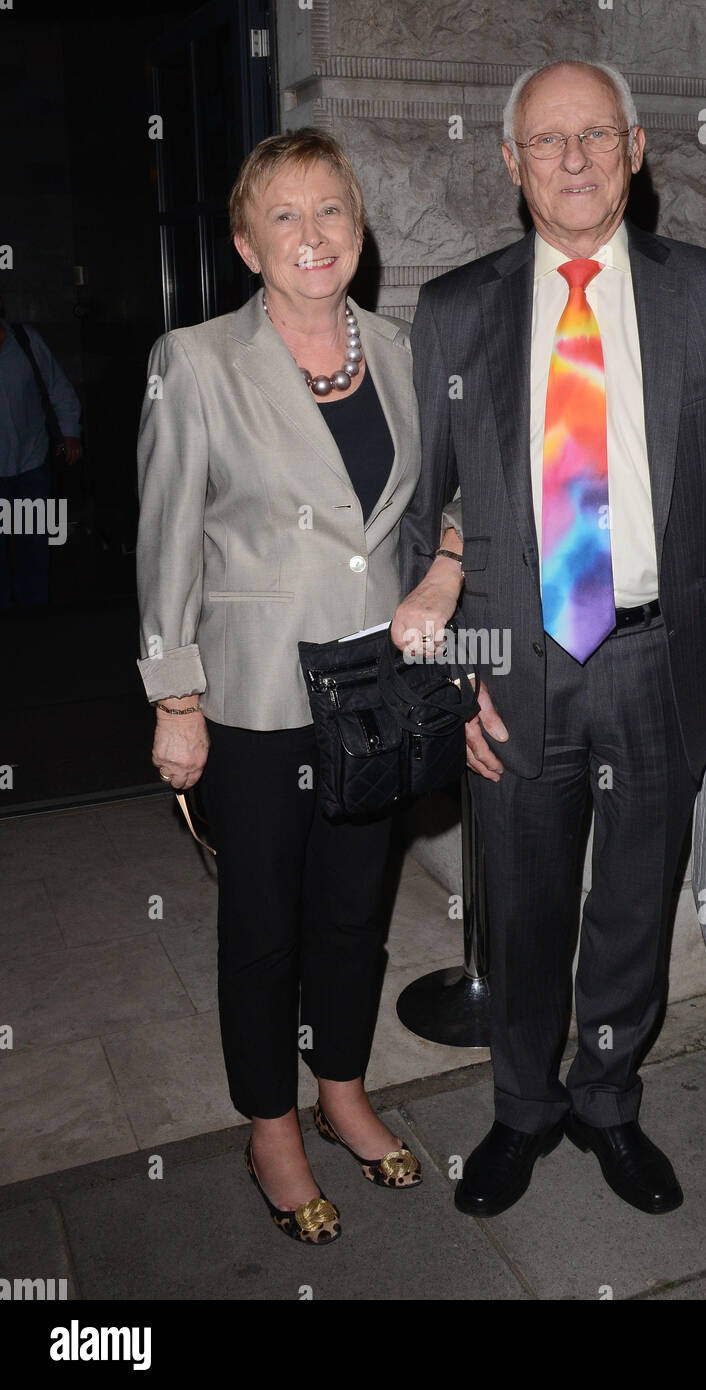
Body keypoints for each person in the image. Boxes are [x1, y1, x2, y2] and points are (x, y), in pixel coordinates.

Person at [394, 60, 706, 1219]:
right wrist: (450, 682)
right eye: (547, 141)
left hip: (661, 656)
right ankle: (521, 1108)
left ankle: (608, 1098)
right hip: (516, 665)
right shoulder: (457, 307)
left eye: (596, 136)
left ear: (635, 151)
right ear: (511, 164)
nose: (573, 159)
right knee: (519, 905)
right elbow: (427, 520)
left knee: (633, 899)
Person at [136, 130, 426, 1246]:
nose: (314, 236)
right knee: (263, 927)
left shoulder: (402, 347)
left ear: (361, 227)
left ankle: (343, 1089)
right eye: (286, 217)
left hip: (376, 689)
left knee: (356, 912)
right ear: (248, 242)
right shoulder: (197, 359)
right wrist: (174, 697)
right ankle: (270, 1125)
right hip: (253, 697)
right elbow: (168, 540)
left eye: (334, 212)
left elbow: (430, 503)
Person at [0, 296, 82, 605]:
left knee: (32, 546)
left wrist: (70, 434)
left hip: (30, 464)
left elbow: (58, 388)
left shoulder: (24, 342)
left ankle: (34, 622)